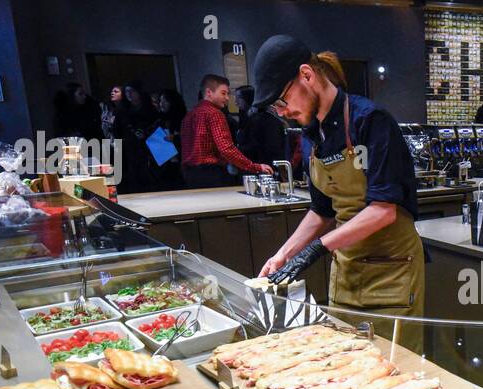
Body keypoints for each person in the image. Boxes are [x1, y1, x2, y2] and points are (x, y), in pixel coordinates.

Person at [252, 37, 424, 326]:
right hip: (346, 270)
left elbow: (383, 210)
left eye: (281, 101)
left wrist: (316, 248)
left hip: (391, 273)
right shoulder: (310, 135)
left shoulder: (369, 121)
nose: (282, 112)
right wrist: (284, 255)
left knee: (392, 367)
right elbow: (322, 210)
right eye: (275, 108)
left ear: (307, 75)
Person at [179, 74, 272, 188]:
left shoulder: (190, 115)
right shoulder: (214, 113)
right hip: (211, 173)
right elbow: (226, 148)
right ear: (209, 92)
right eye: (223, 93)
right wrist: (255, 167)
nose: (227, 98)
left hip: (190, 173)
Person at [235, 83, 289, 171]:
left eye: (239, 98)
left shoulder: (262, 118)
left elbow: (267, 146)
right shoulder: (246, 116)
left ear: (247, 98)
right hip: (253, 163)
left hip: (264, 165)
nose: (236, 102)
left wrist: (239, 150)